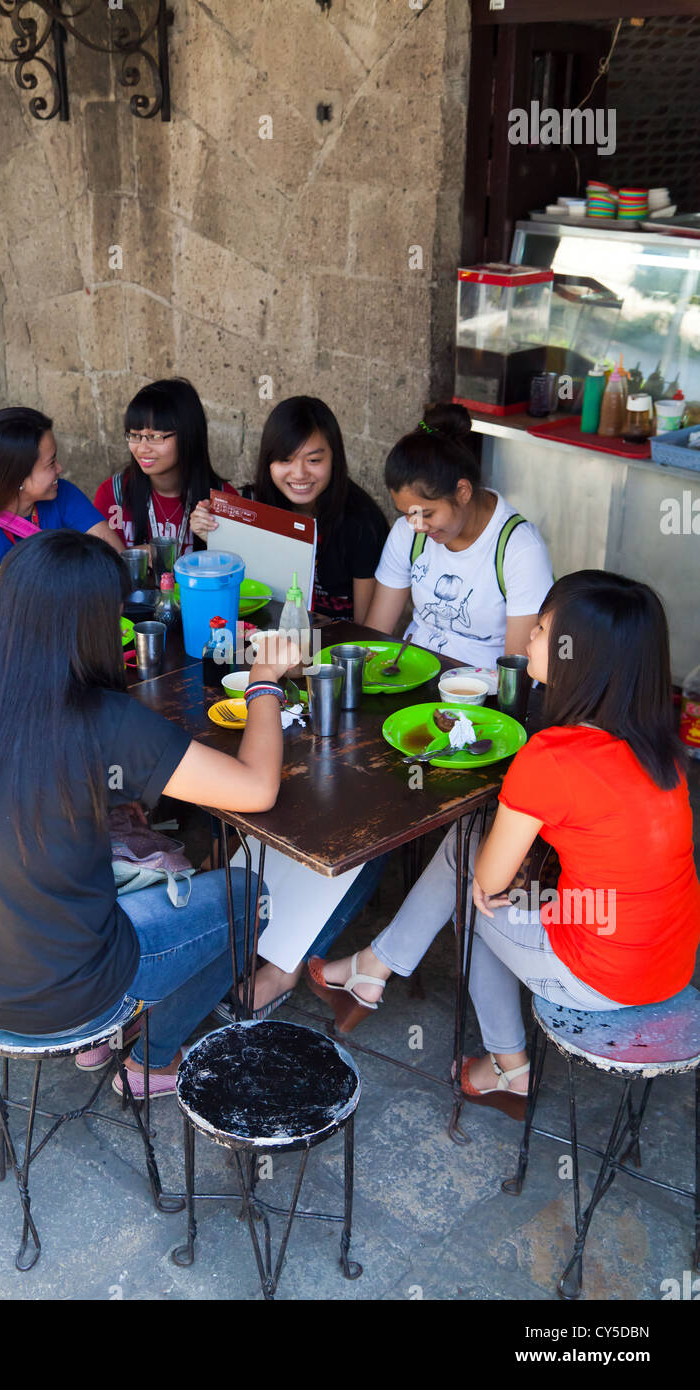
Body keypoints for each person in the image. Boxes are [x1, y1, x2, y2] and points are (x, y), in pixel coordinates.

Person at [0, 529, 303, 1097]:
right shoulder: (107, 721)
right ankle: (152, 1058)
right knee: (250, 895)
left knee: (106, 856)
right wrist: (264, 682)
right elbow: (257, 788)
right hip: (65, 996)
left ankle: (110, 1028)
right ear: (97, 624)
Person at [310, 572, 700, 1116]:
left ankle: (504, 1064)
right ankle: (371, 971)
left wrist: (493, 881)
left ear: (579, 656)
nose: (527, 642)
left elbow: (489, 886)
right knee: (471, 854)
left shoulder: (553, 756)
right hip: (672, 961)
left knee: (473, 889)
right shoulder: (663, 752)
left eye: (542, 630)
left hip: (601, 975)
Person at [364, 403, 553, 665]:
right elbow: (375, 635)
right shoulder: (408, 533)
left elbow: (517, 673)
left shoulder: (519, 549)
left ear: (462, 491)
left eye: (426, 514)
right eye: (407, 513)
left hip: (484, 694)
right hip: (412, 676)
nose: (416, 524)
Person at [193, 396, 389, 624]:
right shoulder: (251, 505)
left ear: (335, 458)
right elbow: (233, 596)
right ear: (269, 462)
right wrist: (216, 535)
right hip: (260, 640)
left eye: (313, 460)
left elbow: (364, 629)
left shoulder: (362, 523)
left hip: (332, 650)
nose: (299, 474)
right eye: (285, 460)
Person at [0, 406, 123, 607]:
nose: (60, 469)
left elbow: (114, 555)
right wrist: (56, 586)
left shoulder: (63, 494)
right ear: (17, 475)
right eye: (51, 462)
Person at [94, 378, 238, 554]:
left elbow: (243, 570)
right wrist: (137, 556)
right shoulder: (113, 495)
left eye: (155, 437)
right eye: (134, 435)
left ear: (188, 436)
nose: (142, 448)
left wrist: (218, 540)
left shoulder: (224, 500)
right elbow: (98, 567)